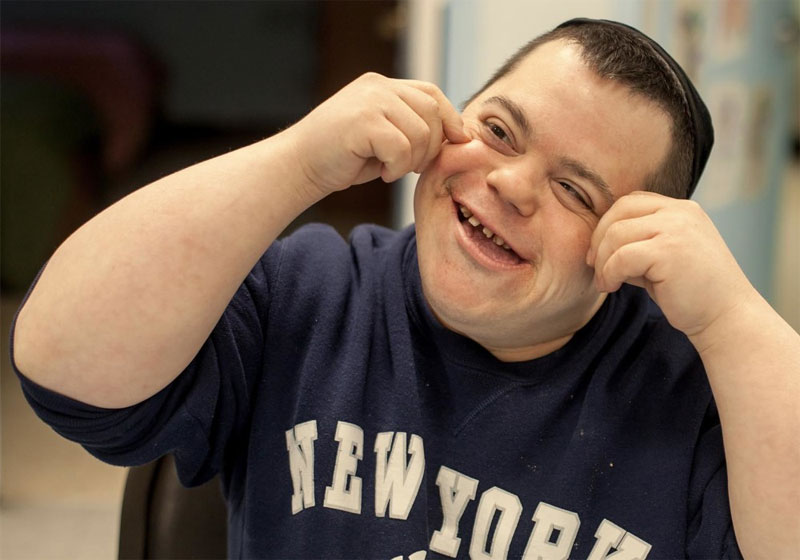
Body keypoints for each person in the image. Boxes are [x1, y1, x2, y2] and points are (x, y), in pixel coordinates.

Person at [10, 18, 799, 560]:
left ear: (627, 247)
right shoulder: (311, 292)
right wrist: (298, 160)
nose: (511, 183)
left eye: (575, 190)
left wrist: (732, 318)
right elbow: (62, 365)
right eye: (498, 131)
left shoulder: (693, 399)